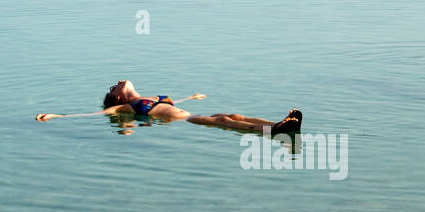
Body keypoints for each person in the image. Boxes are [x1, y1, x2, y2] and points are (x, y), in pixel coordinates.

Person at [99, 80, 302, 136]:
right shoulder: (125, 107)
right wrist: (67, 116)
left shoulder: (146, 97)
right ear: (116, 96)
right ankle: (275, 131)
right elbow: (105, 114)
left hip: (190, 113)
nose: (119, 81)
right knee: (223, 122)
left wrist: (191, 97)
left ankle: (281, 123)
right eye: (115, 85)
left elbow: (168, 103)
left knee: (234, 115)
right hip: (185, 119)